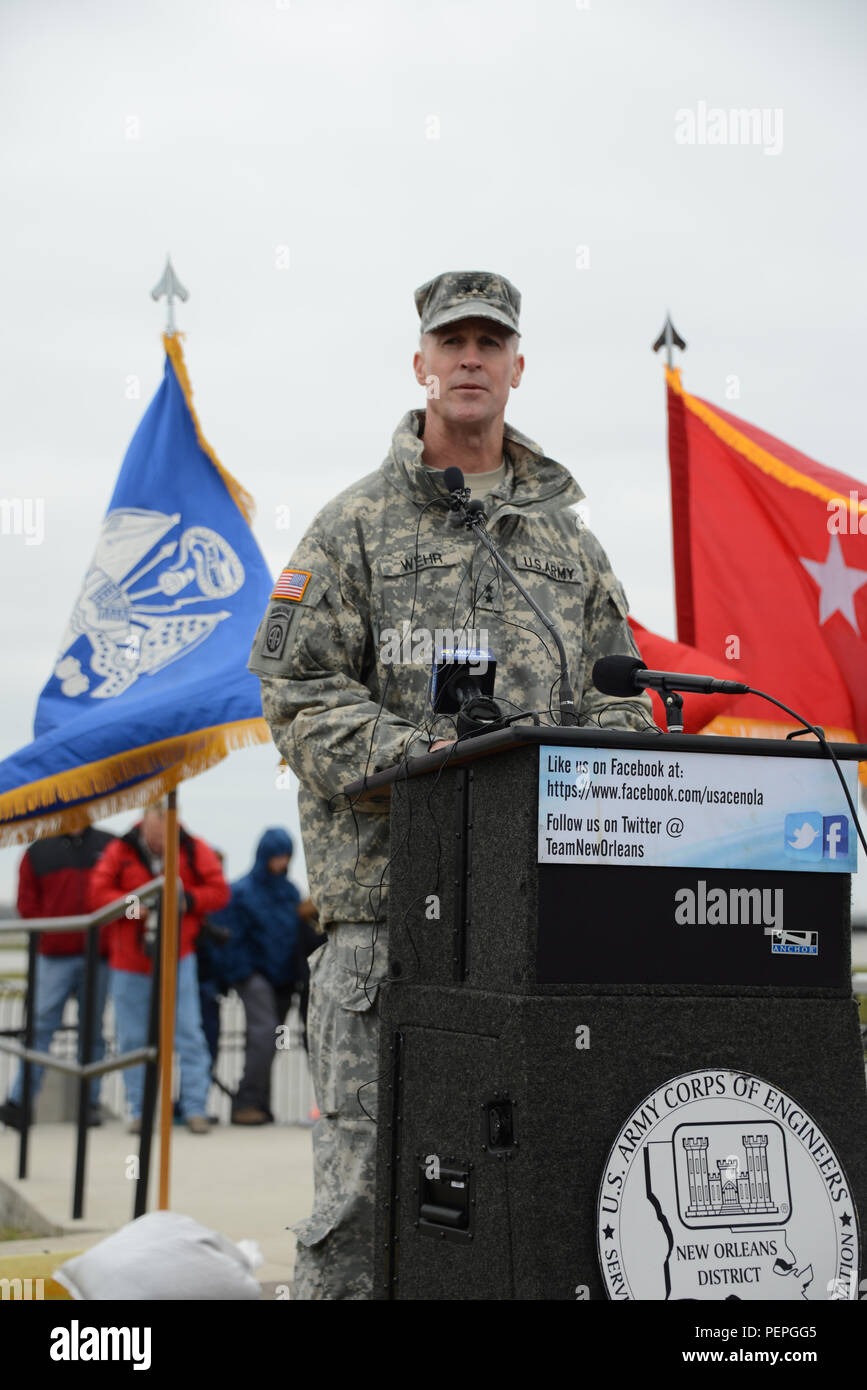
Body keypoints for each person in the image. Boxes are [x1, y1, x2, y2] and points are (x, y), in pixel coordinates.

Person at [247, 270, 653, 1298]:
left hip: (538, 929)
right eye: (451, 341)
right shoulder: (353, 528)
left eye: (490, 341)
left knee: (533, 1194)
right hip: (389, 926)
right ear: (422, 364)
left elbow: (625, 702)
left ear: (518, 368)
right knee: (363, 1205)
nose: (470, 357)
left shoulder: (569, 546)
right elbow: (297, 692)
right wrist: (436, 765)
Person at [89, 801, 230, 1135]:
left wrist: (186, 902)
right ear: (144, 824)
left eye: (165, 834)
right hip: (129, 961)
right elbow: (97, 894)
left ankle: (196, 1108)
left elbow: (219, 891)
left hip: (177, 956)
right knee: (131, 1038)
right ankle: (141, 1110)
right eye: (154, 834)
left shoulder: (194, 848)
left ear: (175, 824)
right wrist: (137, 906)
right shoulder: (120, 849)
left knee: (189, 1033)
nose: (159, 842)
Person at [0, 827, 115, 1131]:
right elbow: (26, 902)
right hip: (53, 956)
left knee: (91, 1031)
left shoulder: (110, 845)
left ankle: (88, 1103)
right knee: (39, 1025)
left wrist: (116, 929)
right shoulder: (39, 850)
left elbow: (127, 896)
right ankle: (20, 1102)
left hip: (98, 955)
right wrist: (49, 935)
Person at [209, 827, 320, 1125]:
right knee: (264, 1033)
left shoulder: (289, 893)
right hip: (253, 976)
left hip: (284, 979)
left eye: (286, 856)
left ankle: (260, 1106)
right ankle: (245, 1103)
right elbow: (231, 940)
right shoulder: (242, 891)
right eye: (276, 856)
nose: (281, 862)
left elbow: (295, 935)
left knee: (272, 1039)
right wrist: (245, 973)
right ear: (264, 855)